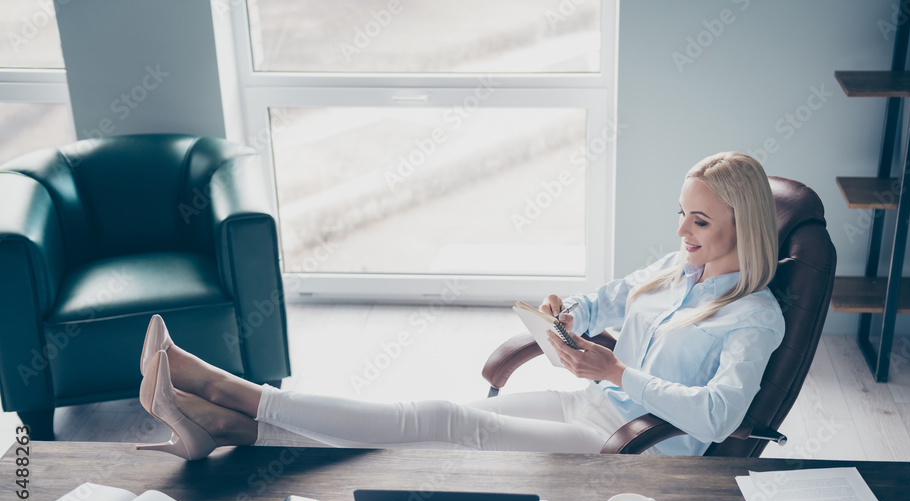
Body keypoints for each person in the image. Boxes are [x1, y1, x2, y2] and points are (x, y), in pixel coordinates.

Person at [136, 151, 784, 461]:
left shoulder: (755, 318)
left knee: (440, 422)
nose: (681, 231)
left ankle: (229, 392)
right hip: (586, 405)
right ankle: (225, 426)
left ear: (744, 223)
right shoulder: (677, 267)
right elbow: (606, 301)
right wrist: (567, 315)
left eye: (699, 220)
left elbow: (720, 417)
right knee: (416, 423)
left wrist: (617, 372)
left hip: (629, 443)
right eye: (680, 213)